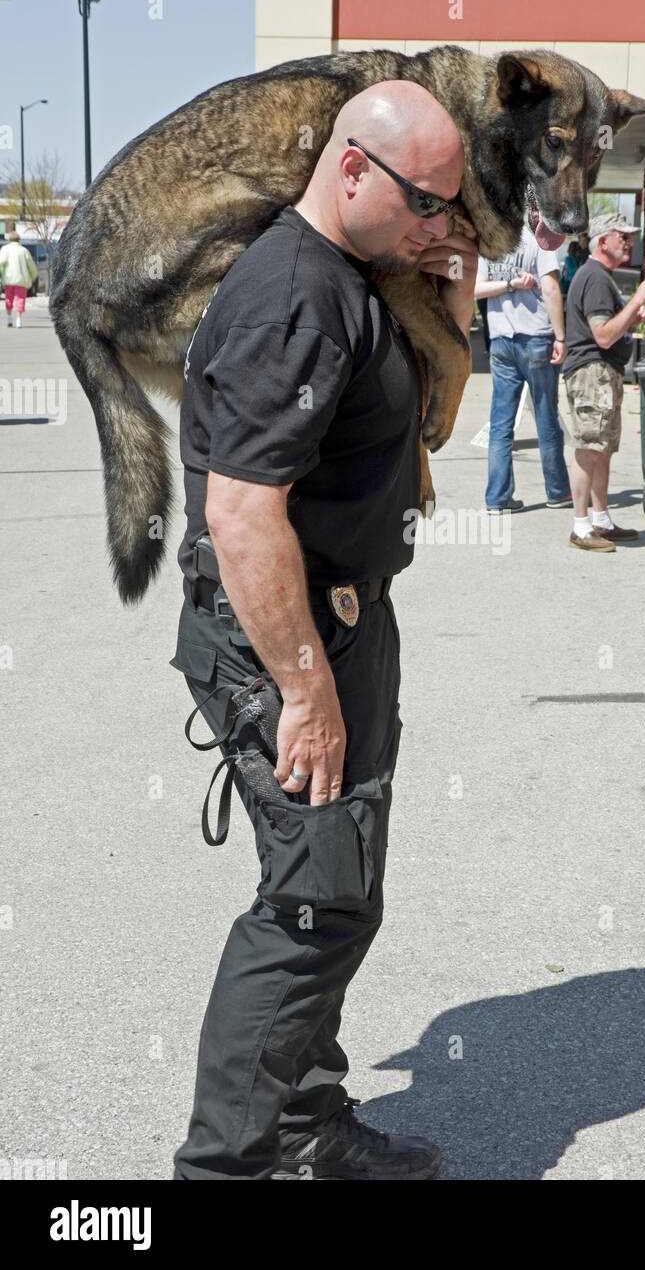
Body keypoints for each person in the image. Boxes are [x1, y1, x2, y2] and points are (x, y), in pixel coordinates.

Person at [169, 81, 477, 1180]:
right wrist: (305, 689)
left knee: (334, 884)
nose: (437, 224)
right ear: (352, 167)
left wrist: (450, 295)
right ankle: (223, 1167)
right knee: (315, 905)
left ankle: (307, 1121)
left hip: (342, 619)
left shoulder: (358, 275)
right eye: (425, 201)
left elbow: (419, 424)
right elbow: (240, 510)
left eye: (453, 207)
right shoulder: (295, 294)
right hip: (289, 638)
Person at [562, 213, 645, 550]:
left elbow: (609, 330)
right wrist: (636, 301)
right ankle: (581, 526)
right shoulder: (597, 278)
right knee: (589, 448)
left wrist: (630, 317)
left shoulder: (598, 276)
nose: (630, 242)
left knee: (601, 450)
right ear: (603, 241)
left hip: (601, 372)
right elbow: (602, 336)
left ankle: (601, 520)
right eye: (624, 236)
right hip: (593, 373)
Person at [474, 207, 571, 513]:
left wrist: (507, 286)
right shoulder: (538, 243)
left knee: (501, 423)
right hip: (536, 337)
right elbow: (551, 287)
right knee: (546, 417)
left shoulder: (490, 244)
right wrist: (561, 337)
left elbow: (474, 289)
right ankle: (557, 491)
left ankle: (498, 498)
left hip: (502, 338)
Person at [0, 231, 38, 326]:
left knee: (8, 298)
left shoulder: (5, 249)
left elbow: (1, 263)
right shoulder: (23, 250)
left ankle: (9, 318)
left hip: (8, 279)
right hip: (21, 279)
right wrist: (33, 276)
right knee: (20, 299)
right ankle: (18, 319)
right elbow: (31, 265)